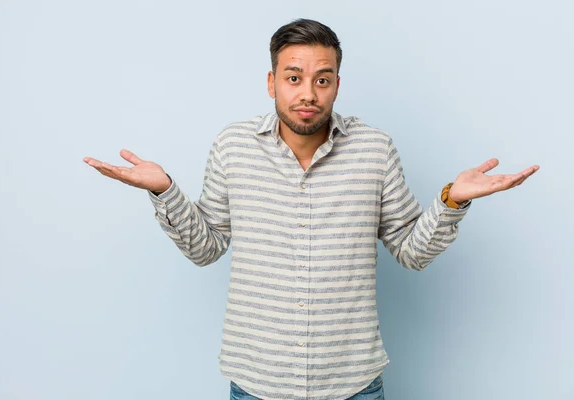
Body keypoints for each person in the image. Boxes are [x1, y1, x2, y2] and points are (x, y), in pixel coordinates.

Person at [83, 18, 539, 400]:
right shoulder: (233, 145)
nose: (308, 93)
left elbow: (410, 251)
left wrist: (451, 200)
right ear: (271, 82)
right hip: (258, 383)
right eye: (293, 77)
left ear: (337, 84)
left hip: (353, 383)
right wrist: (165, 191)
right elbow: (206, 248)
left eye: (322, 79)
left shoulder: (374, 149)